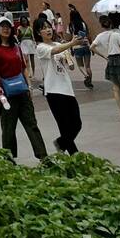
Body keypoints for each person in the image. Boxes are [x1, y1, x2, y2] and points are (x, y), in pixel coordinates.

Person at [0, 18, 47, 161]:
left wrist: (29, 86)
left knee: (31, 124)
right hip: (6, 94)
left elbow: (24, 68)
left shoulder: (16, 47)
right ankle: (9, 159)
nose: (6, 29)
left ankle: (43, 157)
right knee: (9, 128)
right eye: (2, 26)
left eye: (8, 26)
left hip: (22, 91)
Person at [35, 21, 82, 154]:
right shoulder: (41, 47)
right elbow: (55, 51)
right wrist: (71, 43)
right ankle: (75, 155)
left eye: (49, 27)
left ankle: (60, 144)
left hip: (67, 89)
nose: (48, 30)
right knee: (64, 126)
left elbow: (69, 63)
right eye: (44, 28)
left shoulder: (59, 44)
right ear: (39, 33)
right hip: (53, 91)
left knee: (77, 124)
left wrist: (70, 60)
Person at [91, 13, 120, 122]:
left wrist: (104, 56)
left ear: (101, 25)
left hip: (111, 61)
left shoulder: (100, 36)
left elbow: (92, 47)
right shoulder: (116, 34)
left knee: (116, 88)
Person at [70, 16, 93, 89]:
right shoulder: (84, 24)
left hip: (77, 47)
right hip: (86, 46)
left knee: (80, 65)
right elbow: (88, 35)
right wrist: (91, 46)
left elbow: (71, 37)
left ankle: (86, 76)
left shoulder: (71, 25)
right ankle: (90, 82)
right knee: (88, 66)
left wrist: (71, 49)